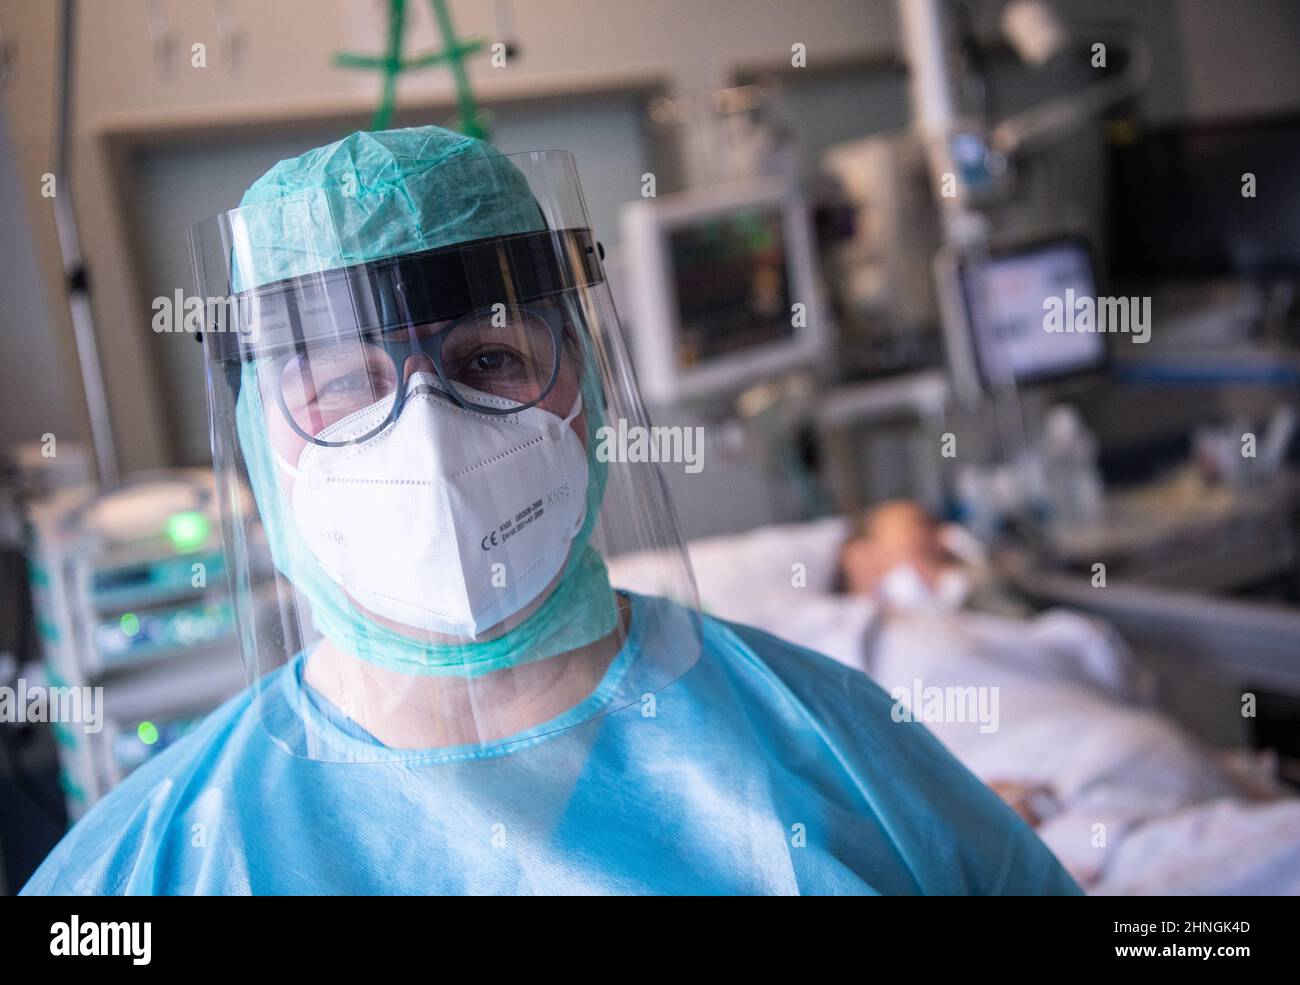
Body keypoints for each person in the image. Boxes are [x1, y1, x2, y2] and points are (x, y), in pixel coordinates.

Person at [23, 126, 1079, 895]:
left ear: (589, 389)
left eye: (490, 360)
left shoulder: (831, 748)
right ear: (261, 439)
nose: (428, 435)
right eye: (344, 387)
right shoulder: (150, 868)